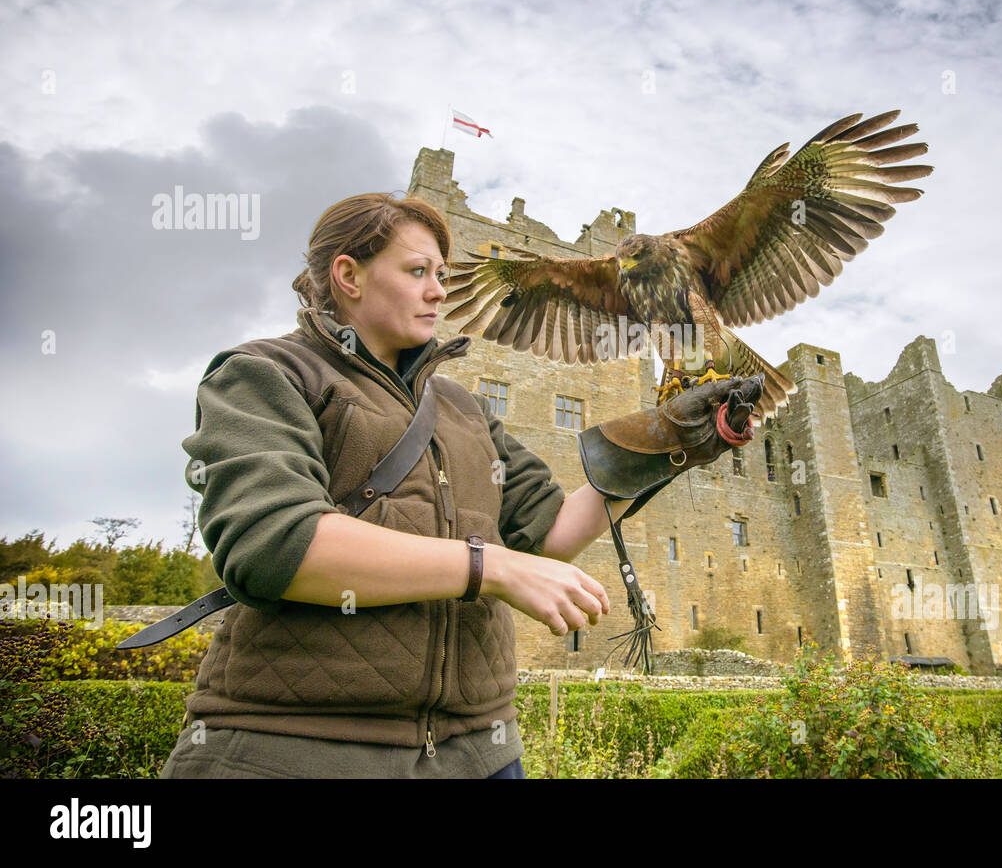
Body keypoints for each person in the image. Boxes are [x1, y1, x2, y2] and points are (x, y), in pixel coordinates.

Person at [158, 191, 753, 778]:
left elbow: (550, 533)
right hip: (299, 748)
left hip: (481, 752)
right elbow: (273, 546)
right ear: (349, 275)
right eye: (418, 271)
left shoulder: (462, 407)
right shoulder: (267, 374)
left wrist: (670, 439)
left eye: (441, 273)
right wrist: (490, 567)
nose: (438, 291)